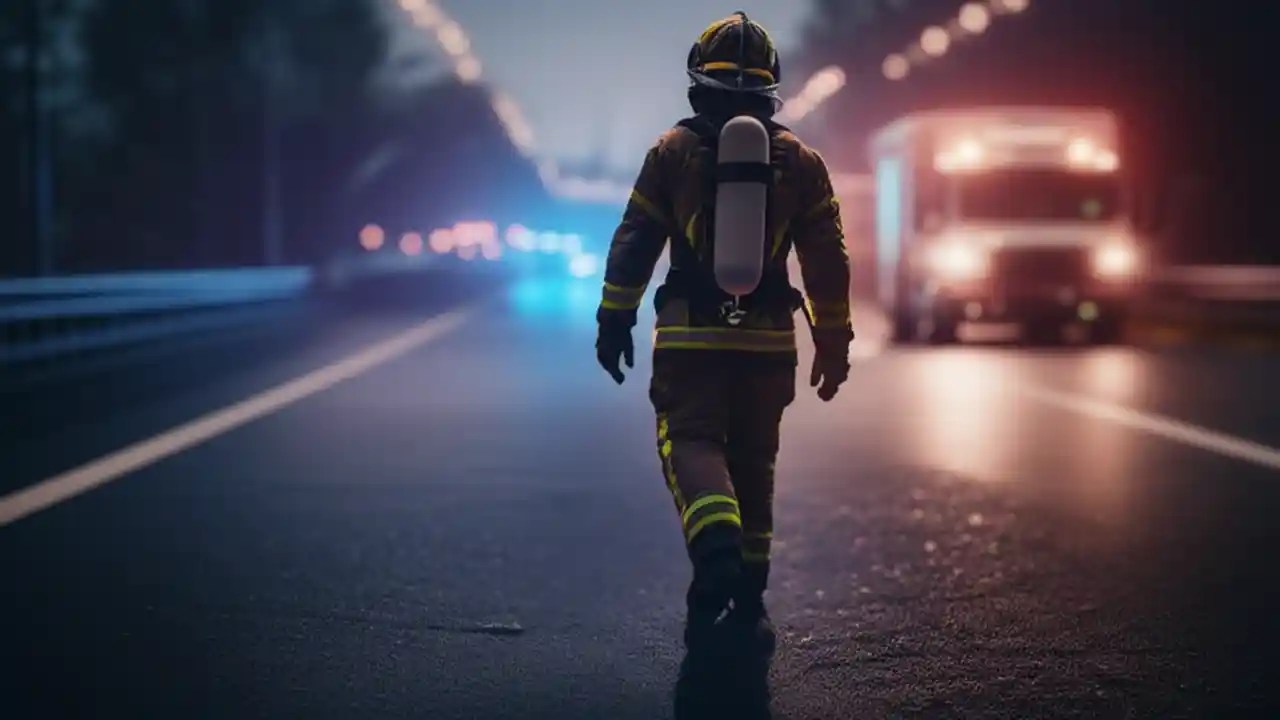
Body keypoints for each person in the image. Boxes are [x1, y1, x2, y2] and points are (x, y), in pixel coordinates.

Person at [595, 11, 853, 654]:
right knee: (755, 461)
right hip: (770, 344)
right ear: (771, 91)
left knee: (690, 440)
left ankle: (714, 546)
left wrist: (614, 317)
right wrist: (834, 339)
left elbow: (635, 242)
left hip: (691, 339)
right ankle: (749, 595)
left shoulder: (672, 153)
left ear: (695, 86)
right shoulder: (802, 163)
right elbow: (827, 260)